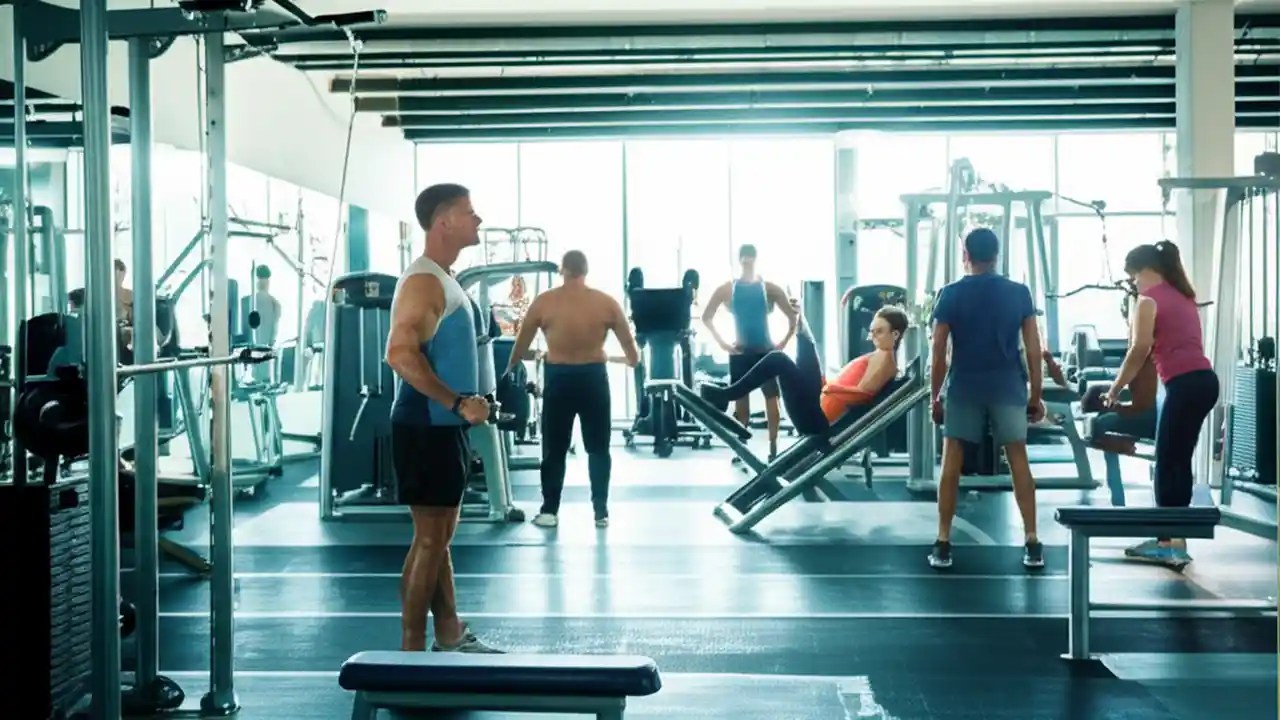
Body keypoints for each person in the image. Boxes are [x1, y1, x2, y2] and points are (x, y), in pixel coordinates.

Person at [384, 183, 499, 653]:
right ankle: (411, 653)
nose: (479, 220)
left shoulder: (443, 278)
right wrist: (456, 402)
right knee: (431, 542)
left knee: (436, 538)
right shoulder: (425, 282)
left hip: (438, 427)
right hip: (426, 425)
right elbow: (399, 354)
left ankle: (449, 633)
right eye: (471, 212)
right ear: (444, 222)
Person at [929, 228, 1045, 571]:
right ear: (996, 255)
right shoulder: (1018, 292)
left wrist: (935, 395)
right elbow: (1034, 348)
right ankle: (1033, 541)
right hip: (1007, 385)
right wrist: (1035, 394)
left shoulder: (949, 294)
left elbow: (939, 352)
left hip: (965, 386)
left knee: (951, 463)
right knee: (1018, 460)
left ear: (965, 254)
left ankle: (943, 542)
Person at [505, 250, 640, 529]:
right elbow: (634, 356)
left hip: (559, 379)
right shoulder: (606, 303)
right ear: (586, 270)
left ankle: (549, 511)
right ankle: (601, 512)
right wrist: (618, 358)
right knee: (598, 448)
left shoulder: (544, 302)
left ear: (562, 270)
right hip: (593, 379)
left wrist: (508, 371)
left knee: (554, 449)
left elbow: (518, 348)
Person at [1104, 241, 1218, 567]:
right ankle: (1175, 541)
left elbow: (1138, 350)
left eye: (1135, 276)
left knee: (1167, 461)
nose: (1134, 283)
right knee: (1177, 460)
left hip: (1185, 385)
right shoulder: (1183, 294)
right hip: (1203, 382)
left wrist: (1115, 389)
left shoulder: (1148, 300)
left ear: (1146, 271)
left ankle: (1168, 543)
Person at [701, 303, 907, 435]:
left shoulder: (885, 361)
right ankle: (801, 322)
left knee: (779, 359)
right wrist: (829, 386)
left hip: (819, 420)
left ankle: (727, 395)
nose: (873, 336)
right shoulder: (878, 356)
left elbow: (863, 394)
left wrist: (830, 389)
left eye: (879, 331)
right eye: (871, 331)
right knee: (790, 355)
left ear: (895, 335)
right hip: (818, 408)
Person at [702, 244, 798, 459]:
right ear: (741, 260)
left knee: (772, 399)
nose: (747, 262)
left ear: (754, 259)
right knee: (742, 405)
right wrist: (723, 344)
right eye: (745, 259)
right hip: (742, 353)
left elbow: (793, 317)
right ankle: (741, 447)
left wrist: (783, 341)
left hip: (765, 352)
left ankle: (773, 449)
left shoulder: (770, 288)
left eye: (749, 259)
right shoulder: (728, 288)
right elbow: (706, 316)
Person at [243, 265, 283, 383]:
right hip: (259, 356)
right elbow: (275, 330)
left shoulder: (247, 302)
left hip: (256, 356)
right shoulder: (274, 303)